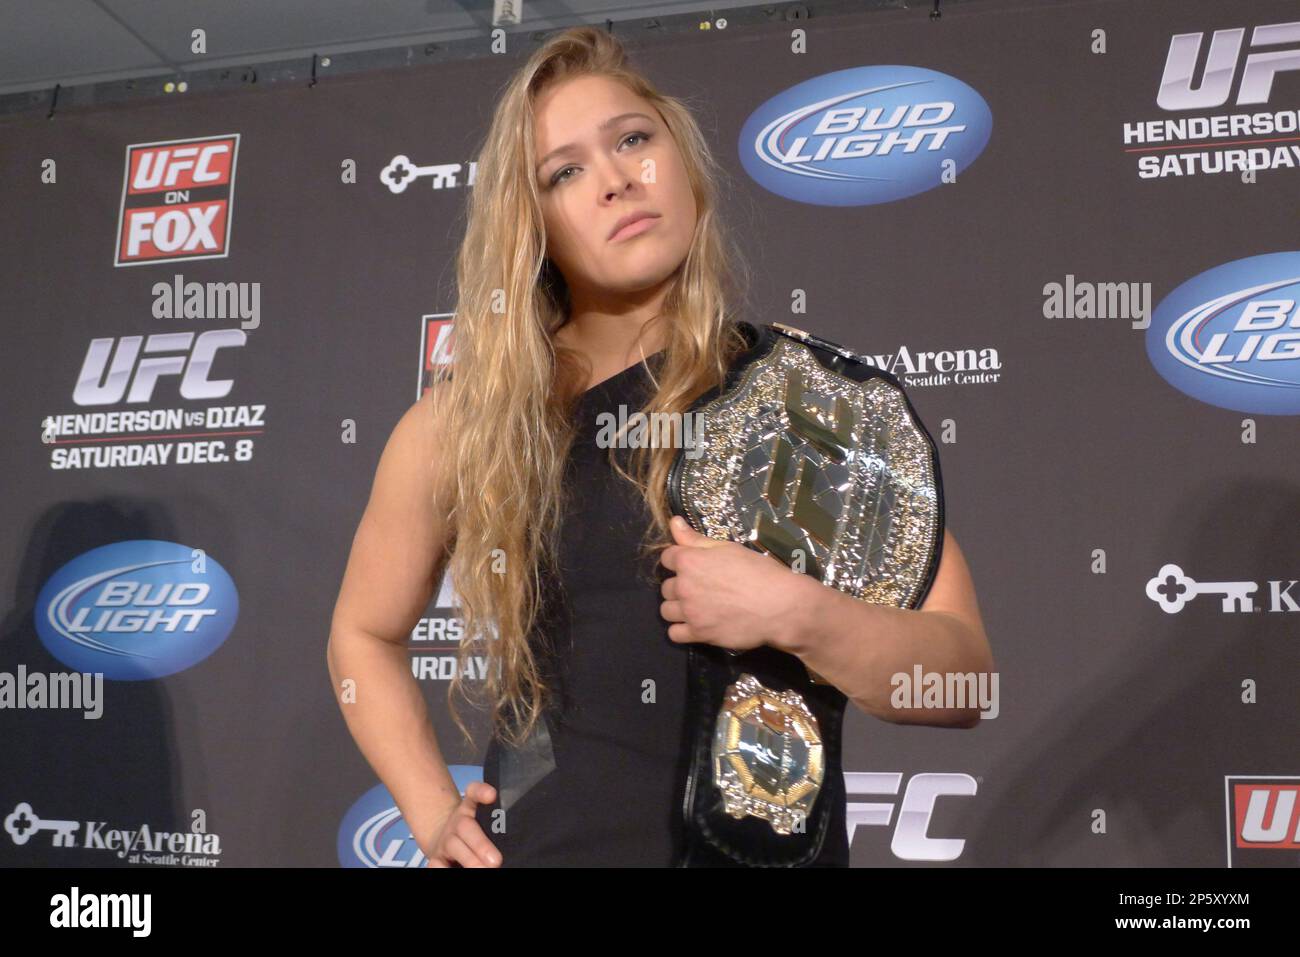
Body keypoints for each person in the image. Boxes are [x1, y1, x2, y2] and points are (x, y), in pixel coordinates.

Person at [326, 25, 993, 868]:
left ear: (681, 161)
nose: (614, 180)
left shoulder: (807, 397)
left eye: (633, 139)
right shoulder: (467, 424)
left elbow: (963, 680)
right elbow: (362, 633)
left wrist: (798, 613)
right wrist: (430, 811)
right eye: (564, 172)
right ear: (530, 225)